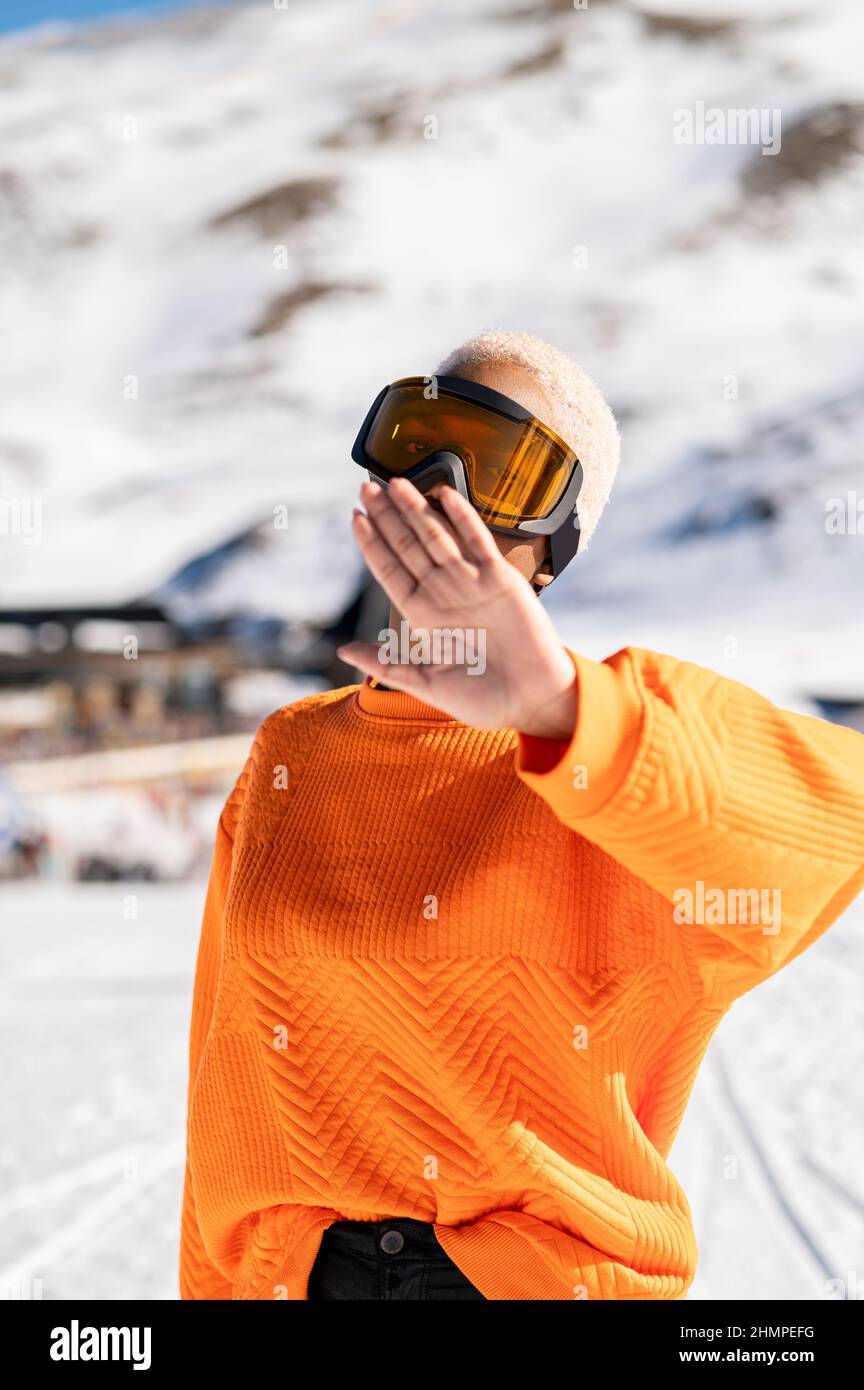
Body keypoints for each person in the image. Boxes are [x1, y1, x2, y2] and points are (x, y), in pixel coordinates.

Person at [180, 330, 864, 1301]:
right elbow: (227, 1083)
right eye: (418, 435)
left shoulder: (610, 766)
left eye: (498, 465)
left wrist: (561, 713)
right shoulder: (292, 756)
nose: (438, 490)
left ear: (553, 544)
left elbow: (837, 827)